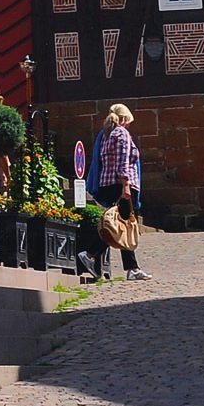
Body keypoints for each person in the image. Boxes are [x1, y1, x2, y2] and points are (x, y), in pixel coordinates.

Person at [89, 104, 147, 283]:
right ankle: (89, 254)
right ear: (125, 119)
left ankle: (132, 268)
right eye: (129, 122)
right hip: (120, 184)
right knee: (119, 225)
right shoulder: (121, 133)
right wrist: (126, 186)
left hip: (108, 183)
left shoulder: (106, 134)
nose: (129, 126)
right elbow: (123, 161)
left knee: (121, 225)